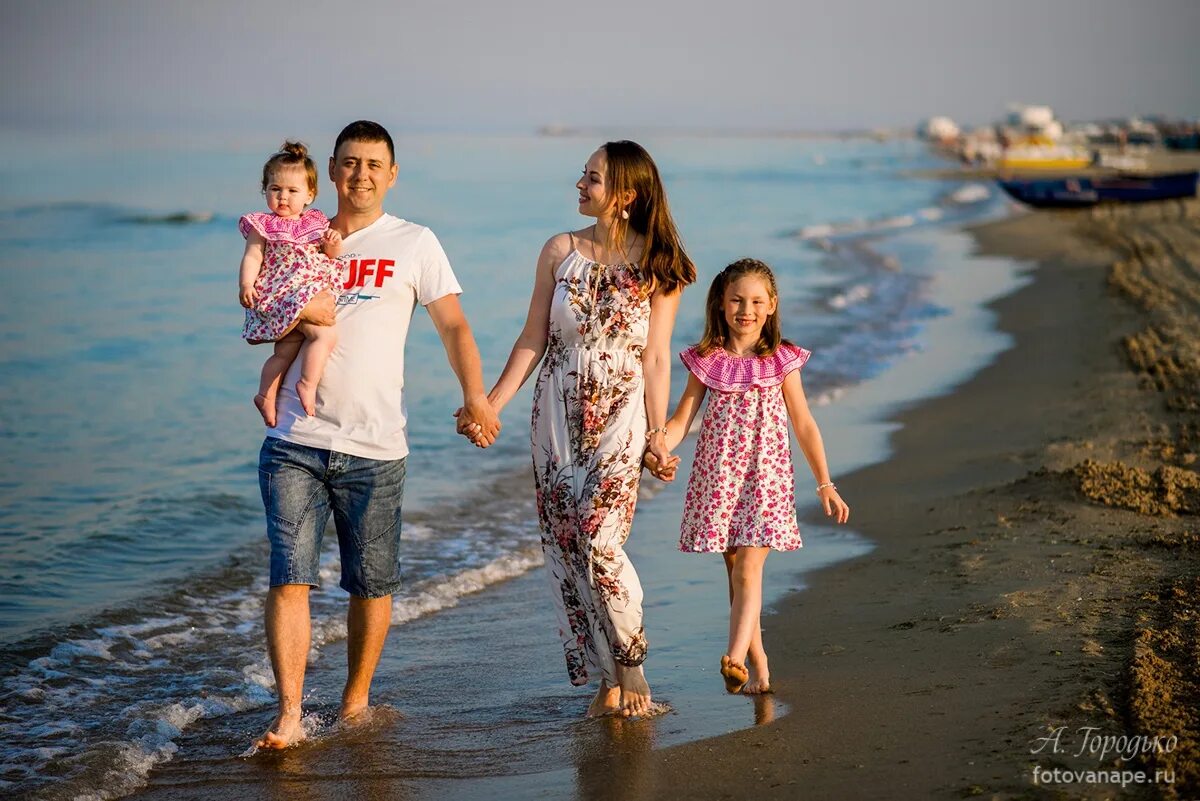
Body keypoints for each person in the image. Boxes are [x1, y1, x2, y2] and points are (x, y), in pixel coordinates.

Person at [253, 120, 500, 750]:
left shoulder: (415, 243)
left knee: (372, 582)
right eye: (350, 163)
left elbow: (454, 328)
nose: (361, 174)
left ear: (391, 174)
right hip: (294, 436)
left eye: (374, 164)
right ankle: (288, 713)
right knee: (289, 576)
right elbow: (259, 302)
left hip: (377, 446)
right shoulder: (301, 233)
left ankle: (355, 701)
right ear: (330, 171)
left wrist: (475, 396)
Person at [480, 141, 695, 718]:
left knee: (601, 543)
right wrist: (492, 402)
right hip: (555, 411)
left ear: (625, 196)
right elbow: (533, 336)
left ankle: (633, 666)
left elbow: (655, 357)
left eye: (593, 178)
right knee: (567, 546)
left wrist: (657, 434)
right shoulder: (559, 250)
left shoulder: (659, 263)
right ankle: (607, 680)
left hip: (621, 414)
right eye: (583, 175)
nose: (580, 184)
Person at [646, 258, 850, 695]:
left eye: (757, 301)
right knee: (736, 572)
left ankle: (734, 656)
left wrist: (825, 482)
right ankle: (758, 664)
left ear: (772, 305)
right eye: (737, 300)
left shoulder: (782, 359)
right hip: (717, 477)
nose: (747, 309)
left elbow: (804, 423)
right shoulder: (707, 360)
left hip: (767, 477)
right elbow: (683, 418)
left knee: (749, 570)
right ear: (721, 304)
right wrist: (660, 443)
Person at [239, 141, 343, 426]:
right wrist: (246, 285)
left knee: (285, 351)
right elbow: (253, 256)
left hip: (302, 291)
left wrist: (333, 244)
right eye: (275, 189)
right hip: (283, 293)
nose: (283, 197)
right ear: (265, 191)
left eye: (292, 191)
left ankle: (265, 395)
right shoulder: (263, 225)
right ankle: (308, 385)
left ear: (310, 194)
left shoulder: (315, 222)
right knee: (325, 336)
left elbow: (329, 255)